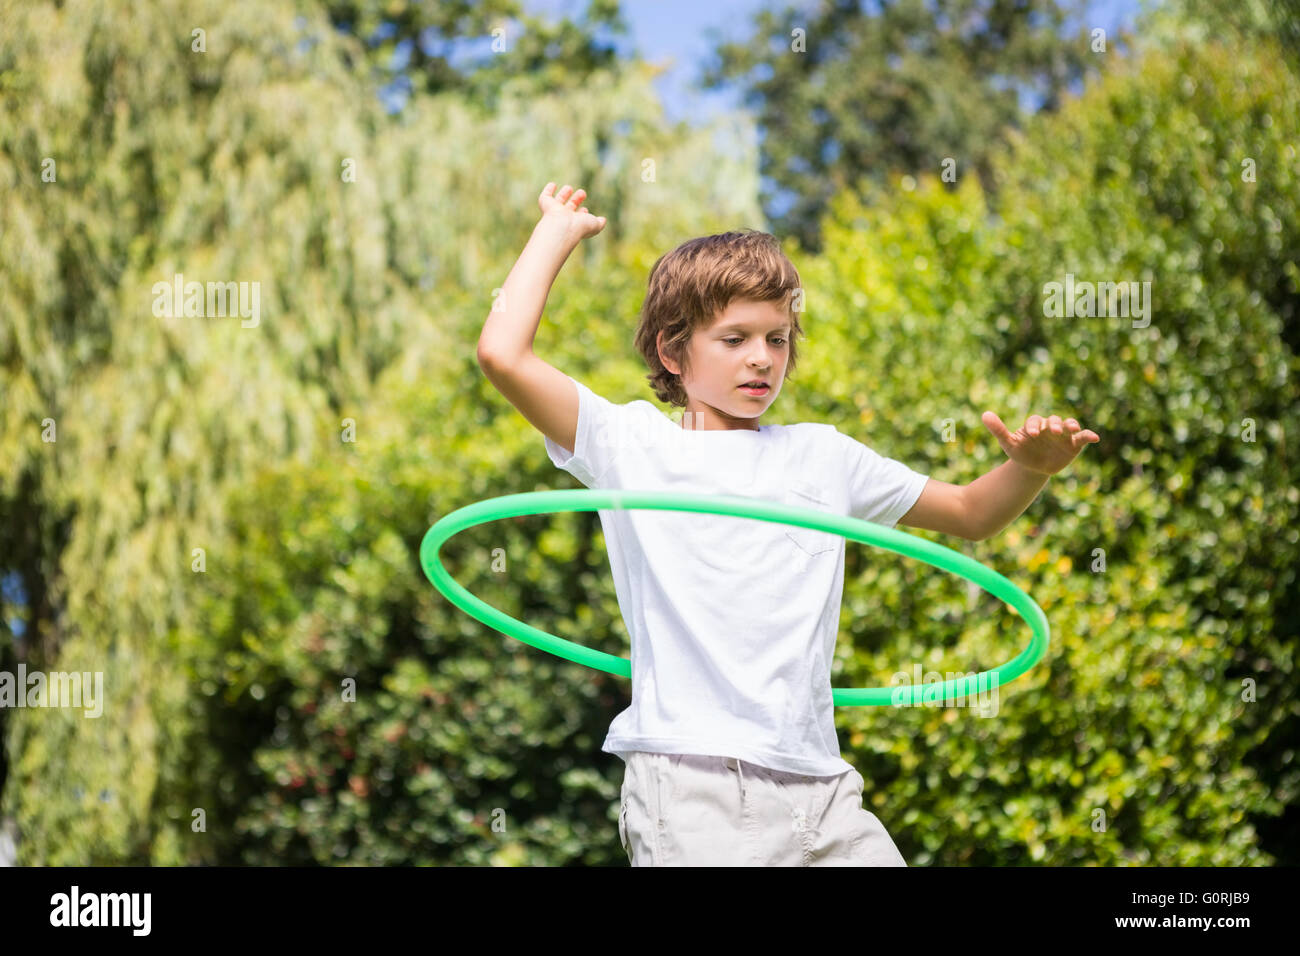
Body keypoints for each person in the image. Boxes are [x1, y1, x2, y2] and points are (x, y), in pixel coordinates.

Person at [475, 183, 1100, 866]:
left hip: (822, 787)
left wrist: (1033, 468)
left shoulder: (824, 457)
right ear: (675, 353)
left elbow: (971, 514)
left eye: (777, 338)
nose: (762, 358)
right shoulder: (631, 444)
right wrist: (555, 233)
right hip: (694, 783)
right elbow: (503, 355)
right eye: (735, 338)